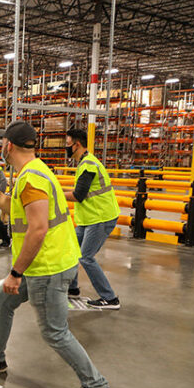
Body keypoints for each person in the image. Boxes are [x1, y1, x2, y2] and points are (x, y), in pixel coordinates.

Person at [0, 121, 112, 388]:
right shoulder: (33, 171)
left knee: (55, 332)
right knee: (2, 300)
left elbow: (38, 229)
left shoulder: (31, 179)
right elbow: (10, 206)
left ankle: (97, 387)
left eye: (2, 142)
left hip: (47, 267)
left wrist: (15, 273)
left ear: (9, 145)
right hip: (43, 264)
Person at [63, 128, 121, 310]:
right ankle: (72, 288)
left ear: (77, 144)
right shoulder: (83, 162)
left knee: (86, 257)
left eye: (67, 144)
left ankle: (110, 298)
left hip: (101, 217)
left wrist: (54, 194)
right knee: (71, 249)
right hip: (89, 217)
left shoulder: (88, 165)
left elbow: (79, 195)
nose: (66, 148)